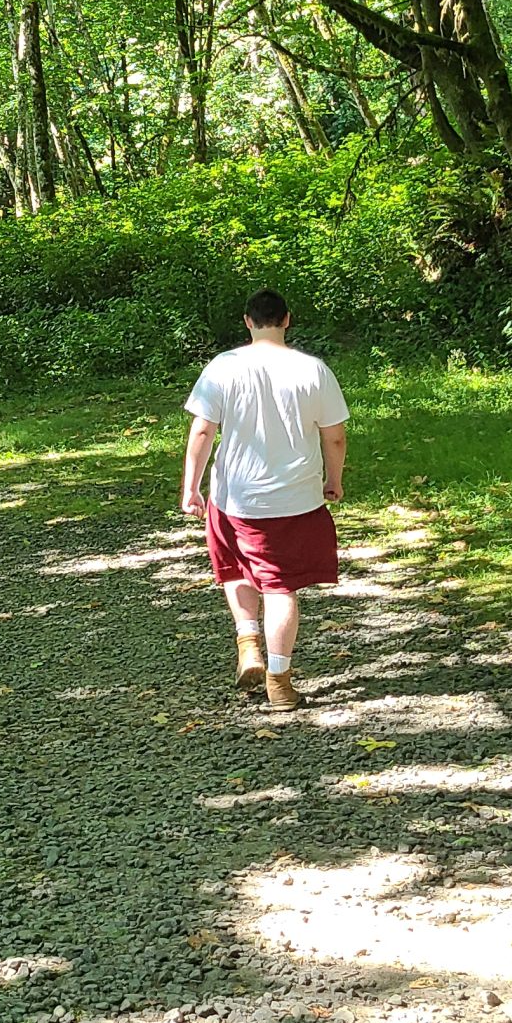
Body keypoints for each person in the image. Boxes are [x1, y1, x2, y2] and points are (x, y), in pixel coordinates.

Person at [181, 289, 347, 711]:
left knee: (234, 567)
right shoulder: (314, 370)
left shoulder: (225, 366)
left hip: (234, 496)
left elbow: (203, 431)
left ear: (247, 321)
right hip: (294, 498)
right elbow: (335, 435)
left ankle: (248, 640)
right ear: (287, 320)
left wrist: (191, 486)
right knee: (281, 587)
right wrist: (334, 478)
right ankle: (279, 681)